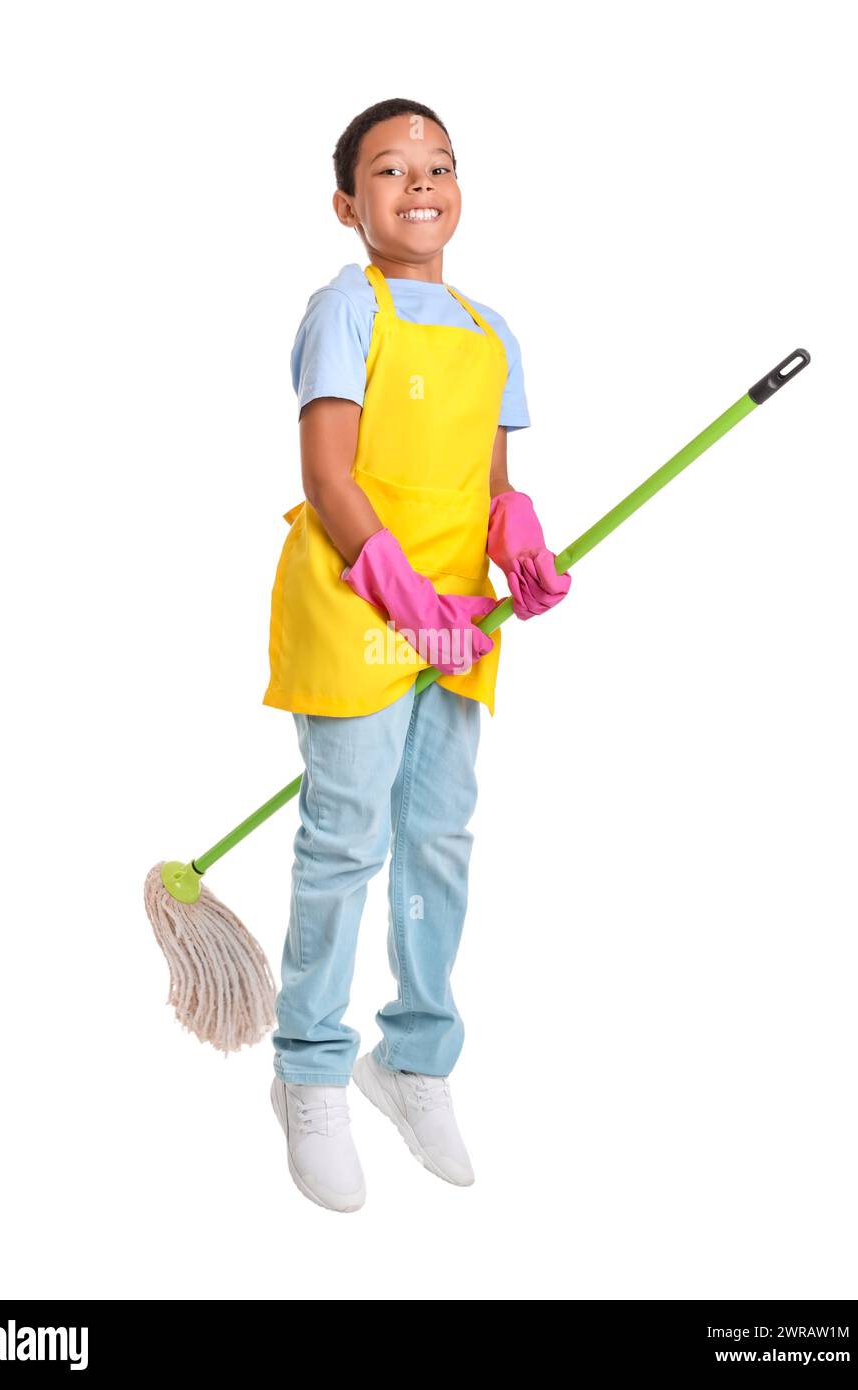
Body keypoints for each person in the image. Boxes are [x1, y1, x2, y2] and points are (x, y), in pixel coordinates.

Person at [264, 97, 571, 1212]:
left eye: (438, 164)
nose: (420, 183)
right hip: (361, 604)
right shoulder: (344, 311)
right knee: (346, 838)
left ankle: (415, 1059)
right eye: (390, 170)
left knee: (437, 836)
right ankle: (308, 1069)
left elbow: (486, 486)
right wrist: (403, 596)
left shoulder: (492, 332)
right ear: (350, 205)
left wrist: (517, 539)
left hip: (455, 612)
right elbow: (331, 478)